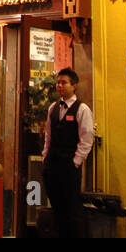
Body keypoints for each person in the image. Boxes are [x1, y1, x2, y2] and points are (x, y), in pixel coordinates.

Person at [41, 67, 95, 238]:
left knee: (71, 209)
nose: (60, 86)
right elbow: (48, 136)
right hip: (52, 165)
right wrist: (45, 157)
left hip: (69, 166)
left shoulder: (82, 109)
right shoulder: (53, 108)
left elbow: (86, 139)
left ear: (74, 85)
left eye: (64, 82)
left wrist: (75, 162)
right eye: (58, 82)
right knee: (56, 208)